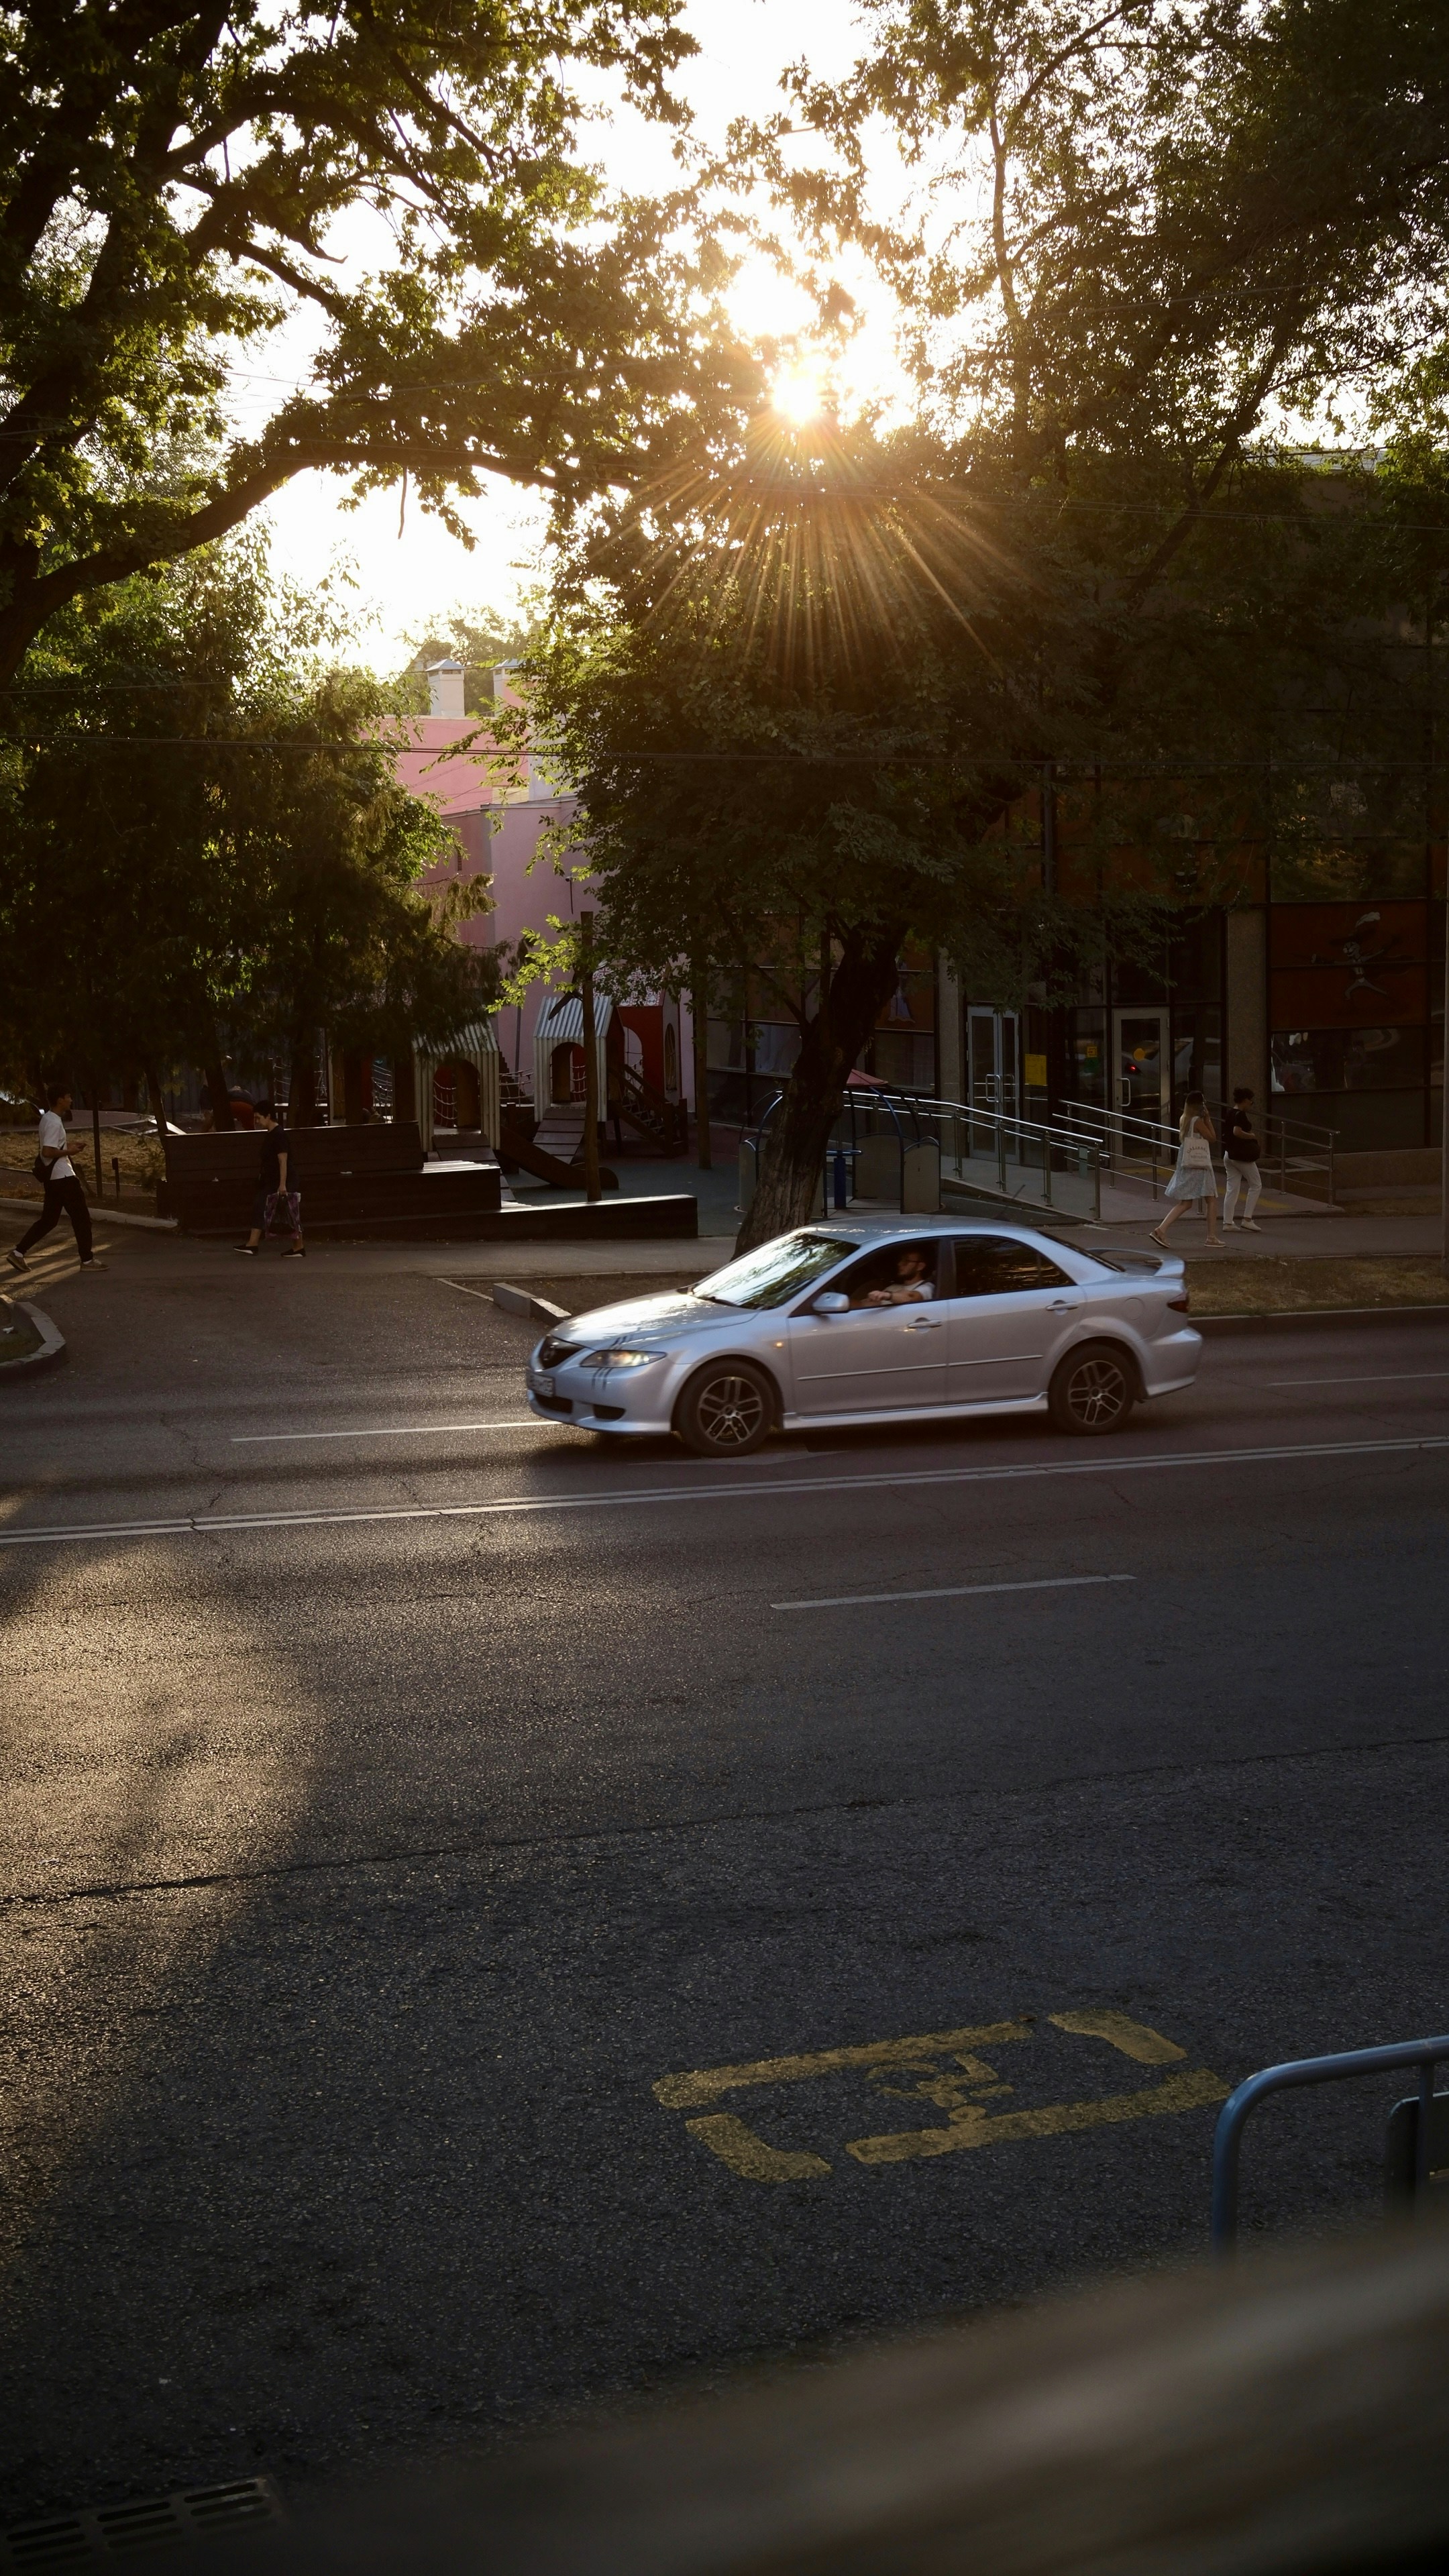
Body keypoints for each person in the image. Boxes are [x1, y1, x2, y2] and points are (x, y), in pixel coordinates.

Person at [5, 1085, 105, 1273]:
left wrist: (69, 1145)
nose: (71, 1100)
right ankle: (87, 1260)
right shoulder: (53, 1122)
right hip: (64, 1178)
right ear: (60, 1100)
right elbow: (47, 1152)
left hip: (55, 1179)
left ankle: (18, 1253)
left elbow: (52, 1145)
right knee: (82, 1219)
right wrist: (70, 1151)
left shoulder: (49, 1119)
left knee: (49, 1221)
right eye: (68, 1096)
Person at [1150, 1091, 1222, 1249]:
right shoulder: (1197, 1121)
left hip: (1187, 1163)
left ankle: (1161, 1229)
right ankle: (1211, 1237)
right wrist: (1208, 1119)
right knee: (1211, 1199)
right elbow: (1212, 1138)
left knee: (1186, 1203)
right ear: (1200, 1105)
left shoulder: (1184, 1119)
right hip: (1200, 1165)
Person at [235, 1101, 305, 1257]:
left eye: (259, 1118)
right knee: (264, 1205)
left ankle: (298, 1247)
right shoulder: (272, 1134)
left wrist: (282, 1185)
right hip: (273, 1180)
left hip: (282, 1181)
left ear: (268, 1116)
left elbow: (283, 1161)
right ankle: (254, 1244)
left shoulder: (278, 1135)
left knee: (289, 1211)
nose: (257, 1121)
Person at [1221, 1085, 1264, 1231]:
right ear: (1245, 1101)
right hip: (1241, 1156)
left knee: (1232, 1188)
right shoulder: (1240, 1115)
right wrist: (1251, 1136)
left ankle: (1228, 1222)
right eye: (1251, 1102)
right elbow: (1237, 1132)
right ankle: (1247, 1219)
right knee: (1256, 1185)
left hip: (1229, 1155)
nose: (1251, 1105)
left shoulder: (1230, 1113)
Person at [863, 1246, 936, 1305]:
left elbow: (910, 1298)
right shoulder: (893, 1287)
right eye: (901, 1260)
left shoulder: (927, 1287)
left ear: (920, 1266)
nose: (900, 1264)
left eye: (906, 1261)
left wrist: (887, 1295)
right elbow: (864, 1305)